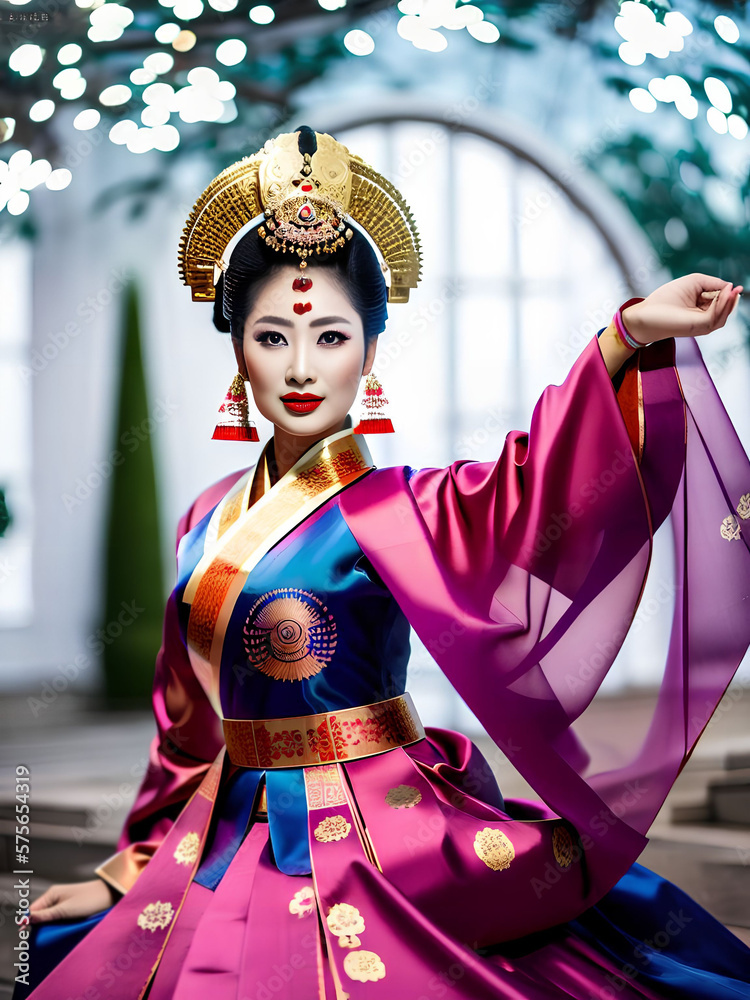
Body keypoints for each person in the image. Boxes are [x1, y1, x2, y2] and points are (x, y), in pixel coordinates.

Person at [16, 126, 750, 999]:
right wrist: (125, 867)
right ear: (236, 350)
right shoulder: (205, 518)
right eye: (270, 338)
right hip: (224, 825)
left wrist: (624, 339)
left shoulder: (399, 507)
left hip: (374, 822)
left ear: (367, 351)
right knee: (78, 959)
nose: (299, 367)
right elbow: (187, 728)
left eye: (330, 337)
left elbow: (540, 487)